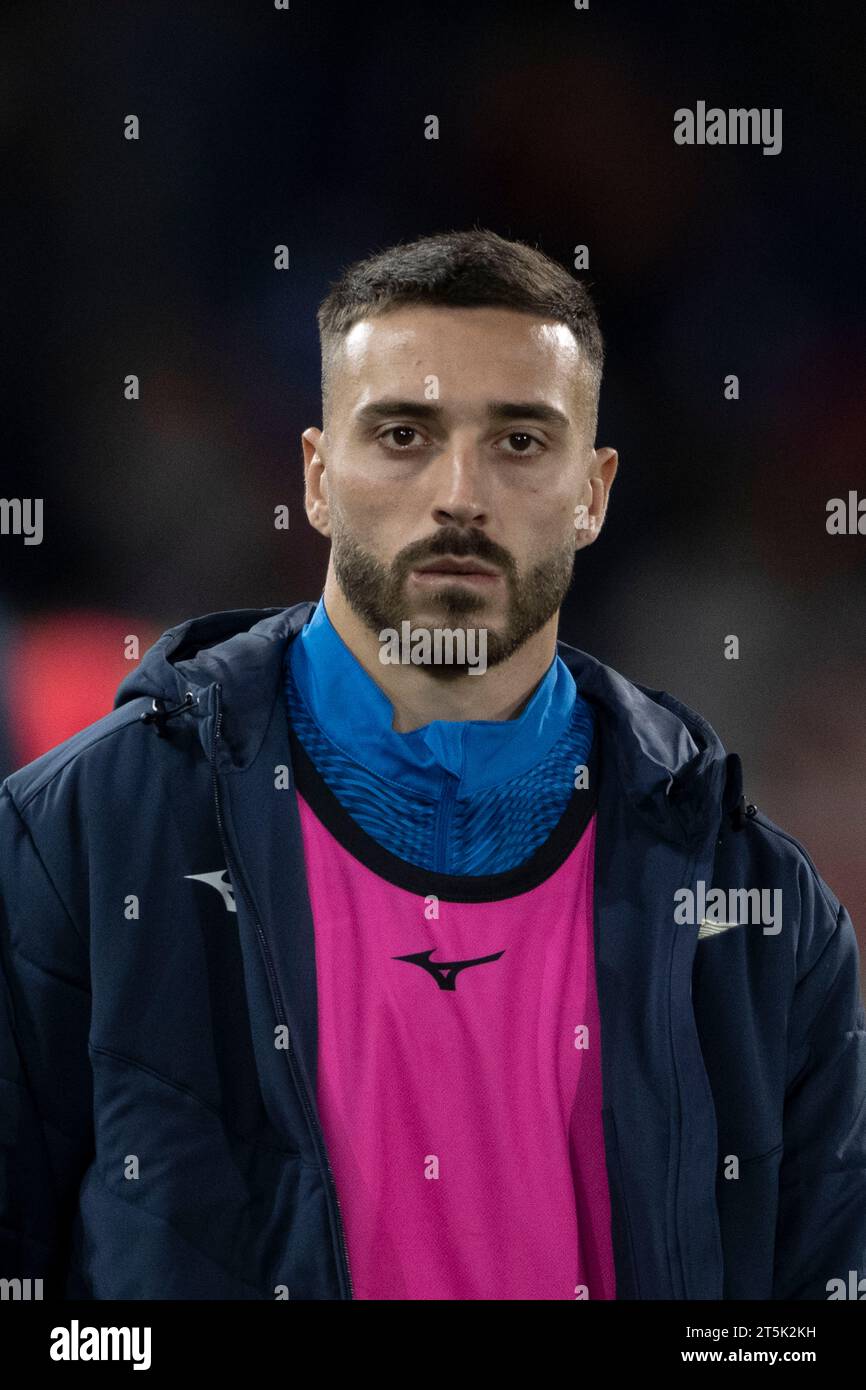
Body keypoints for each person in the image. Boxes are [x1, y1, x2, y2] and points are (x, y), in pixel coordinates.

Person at [1, 228, 863, 1301]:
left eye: (517, 442)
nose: (460, 492)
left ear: (592, 492)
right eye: (404, 433)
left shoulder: (756, 913)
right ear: (316, 478)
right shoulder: (78, 839)